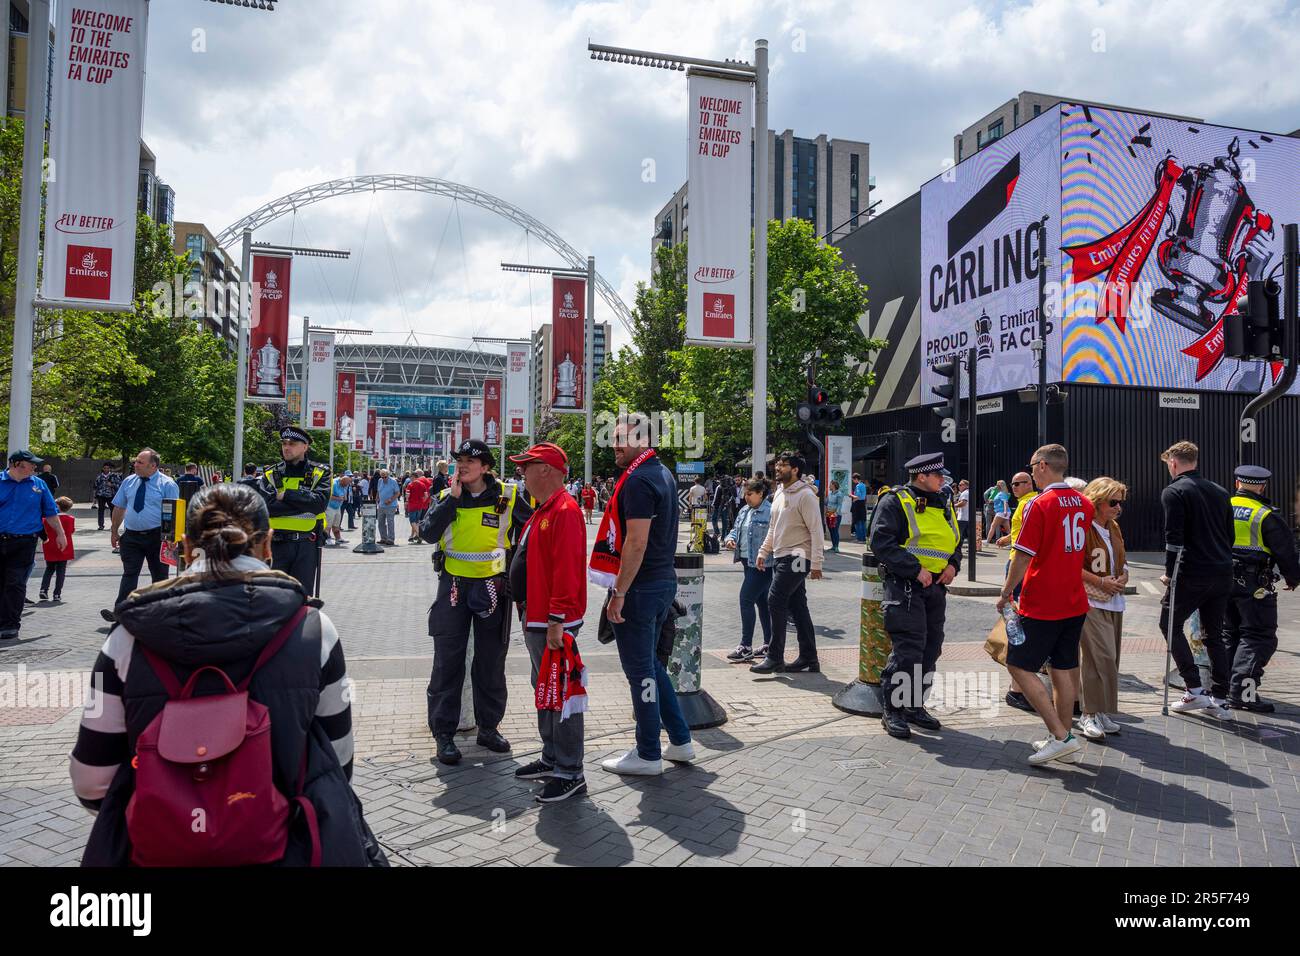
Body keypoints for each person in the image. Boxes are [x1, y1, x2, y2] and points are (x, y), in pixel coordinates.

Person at [69, 482, 386, 866]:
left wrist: (175, 811)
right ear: (268, 545)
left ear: (185, 547)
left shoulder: (127, 637)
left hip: (156, 848)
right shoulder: (313, 629)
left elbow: (92, 781)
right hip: (284, 844)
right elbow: (338, 756)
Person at [593, 414, 695, 776]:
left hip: (640, 587)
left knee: (640, 672)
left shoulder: (637, 480)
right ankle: (680, 742)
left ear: (643, 439)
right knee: (652, 666)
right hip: (661, 582)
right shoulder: (661, 472)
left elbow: (636, 543)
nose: (615, 444)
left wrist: (618, 592)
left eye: (621, 438)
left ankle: (648, 752)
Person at [421, 439, 531, 765]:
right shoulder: (445, 497)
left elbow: (532, 533)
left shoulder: (508, 497)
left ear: (485, 467)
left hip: (493, 588)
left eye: (470, 460)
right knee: (447, 662)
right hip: (453, 587)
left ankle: (489, 728)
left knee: (491, 661)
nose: (463, 465)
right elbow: (427, 533)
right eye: (459, 460)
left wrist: (519, 576)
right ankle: (444, 734)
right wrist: (451, 502)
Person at [998, 444, 1094, 766]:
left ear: (1041, 466)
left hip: (1042, 601)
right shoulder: (1084, 503)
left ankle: (1061, 735)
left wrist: (1006, 591)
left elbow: (1023, 554)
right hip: (1074, 600)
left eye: (1032, 466)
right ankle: (1060, 738)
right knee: (1063, 669)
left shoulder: (1039, 505)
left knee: (1019, 665)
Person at [508, 442, 589, 803]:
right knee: (546, 692)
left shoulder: (565, 510)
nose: (521, 473)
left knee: (561, 695)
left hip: (551, 623)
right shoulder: (547, 509)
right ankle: (551, 758)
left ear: (545, 469)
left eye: (526, 466)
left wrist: (557, 618)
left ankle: (571, 771)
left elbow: (568, 569)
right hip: (538, 618)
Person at [869, 452, 962, 738]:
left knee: (930, 649)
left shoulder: (943, 503)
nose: (943, 480)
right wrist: (914, 568)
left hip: (935, 588)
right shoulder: (895, 501)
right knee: (908, 650)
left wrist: (953, 564)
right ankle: (893, 711)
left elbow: (955, 540)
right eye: (938, 475)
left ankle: (914, 705)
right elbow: (880, 542)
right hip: (906, 587)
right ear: (922, 476)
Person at [1159, 441, 1235, 718]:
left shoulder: (1174, 491)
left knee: (1169, 624)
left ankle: (1194, 690)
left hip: (1193, 574)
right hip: (1222, 572)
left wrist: (1170, 573)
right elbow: (1229, 535)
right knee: (1214, 634)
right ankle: (1221, 698)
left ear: (1173, 462)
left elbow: (1174, 540)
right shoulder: (1220, 491)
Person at [1224, 465, 1300, 712]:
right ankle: (1243, 695)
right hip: (1254, 585)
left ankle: (1223, 688)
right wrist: (1293, 578)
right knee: (1258, 637)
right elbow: (1286, 552)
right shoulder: (1265, 515)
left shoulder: (1221, 506)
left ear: (1237, 484)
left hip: (1222, 582)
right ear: (1262, 486)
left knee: (1230, 634)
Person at [751, 451, 825, 674]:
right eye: (777, 464)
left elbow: (816, 530)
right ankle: (809, 658)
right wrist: (764, 551)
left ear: (795, 470)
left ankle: (775, 657)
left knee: (775, 599)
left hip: (799, 557)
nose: (777, 468)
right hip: (783, 555)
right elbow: (774, 527)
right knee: (797, 606)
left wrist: (817, 564)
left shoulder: (806, 496)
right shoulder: (780, 494)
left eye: (783, 465)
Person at [1077, 478, 1130, 740]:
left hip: (1113, 599)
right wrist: (1100, 581)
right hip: (1089, 600)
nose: (1118, 507)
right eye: (1113, 502)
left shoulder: (1114, 527)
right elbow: (1071, 564)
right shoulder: (1083, 528)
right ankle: (1088, 713)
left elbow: (1122, 559)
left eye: (1120, 502)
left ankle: (1099, 711)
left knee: (1112, 658)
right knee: (1100, 657)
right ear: (1097, 501)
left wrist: (1124, 577)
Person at [103, 448, 179, 624]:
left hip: (157, 537)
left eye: (140, 462)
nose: (135, 465)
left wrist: (172, 538)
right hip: (131, 537)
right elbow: (119, 507)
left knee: (159, 576)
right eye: (135, 461)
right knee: (130, 573)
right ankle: (121, 611)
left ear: (153, 466)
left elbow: (174, 512)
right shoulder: (129, 481)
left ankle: (160, 613)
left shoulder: (167, 484)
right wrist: (114, 531)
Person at [254, 427, 331, 596]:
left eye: (292, 444)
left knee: (302, 598)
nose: (286, 447)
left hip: (306, 545)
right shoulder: (271, 473)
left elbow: (319, 504)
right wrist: (304, 502)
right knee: (272, 597)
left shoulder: (320, 473)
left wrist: (286, 495)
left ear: (305, 447)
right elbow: (267, 506)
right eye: (284, 443)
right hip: (276, 544)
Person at [0, 451, 65, 639]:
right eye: (31, 464)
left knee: (16, 583)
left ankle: (10, 624)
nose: (35, 467)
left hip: (24, 542)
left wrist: (60, 534)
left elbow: (51, 512)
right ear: (18, 464)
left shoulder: (39, 485)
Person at [999, 470, 1039, 712]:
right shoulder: (1025, 503)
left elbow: (1029, 542)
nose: (1014, 487)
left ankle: (1018, 686)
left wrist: (1006, 591)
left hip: (1021, 566)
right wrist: (1009, 539)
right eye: (1012, 483)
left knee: (1018, 625)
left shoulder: (1029, 504)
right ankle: (1018, 685)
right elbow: (1024, 534)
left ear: (1030, 483)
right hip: (1019, 564)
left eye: (1019, 483)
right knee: (1018, 624)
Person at [723, 477, 773, 662]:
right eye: (745, 494)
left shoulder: (770, 511)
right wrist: (730, 538)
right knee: (762, 602)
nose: (746, 498)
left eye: (750, 494)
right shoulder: (745, 510)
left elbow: (774, 535)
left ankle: (745, 645)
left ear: (761, 494)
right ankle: (770, 643)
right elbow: (735, 529)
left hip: (761, 564)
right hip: (746, 561)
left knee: (746, 599)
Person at [39, 496, 76, 602]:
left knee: (49, 569)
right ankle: (57, 594)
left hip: (50, 546)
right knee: (61, 571)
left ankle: (43, 589)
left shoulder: (46, 519)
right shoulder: (71, 519)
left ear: (57, 506)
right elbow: (71, 531)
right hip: (65, 547)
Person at [374, 469, 401, 546]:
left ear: (388, 476)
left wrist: (390, 499)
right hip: (381, 505)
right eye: (382, 477)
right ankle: (383, 538)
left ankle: (391, 539)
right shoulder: (380, 481)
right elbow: (379, 491)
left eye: (385, 477)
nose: (383, 478)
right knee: (380, 522)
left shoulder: (393, 481)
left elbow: (397, 493)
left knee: (390, 522)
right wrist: (377, 498)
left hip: (391, 505)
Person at [405, 469, 432, 544]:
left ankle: (419, 535)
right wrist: (422, 501)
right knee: (417, 521)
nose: (410, 478)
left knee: (412, 521)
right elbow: (426, 495)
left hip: (412, 504)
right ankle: (413, 536)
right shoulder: (422, 484)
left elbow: (407, 495)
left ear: (413, 477)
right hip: (420, 505)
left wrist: (406, 501)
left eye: (410, 477)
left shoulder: (410, 485)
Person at [324, 474, 352, 546]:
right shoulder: (333, 483)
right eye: (345, 485)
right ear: (342, 481)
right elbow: (328, 495)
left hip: (337, 506)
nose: (346, 486)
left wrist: (344, 497)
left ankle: (338, 539)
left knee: (336, 524)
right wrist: (338, 498)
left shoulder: (344, 484)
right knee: (328, 525)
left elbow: (344, 491)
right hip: (330, 506)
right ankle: (326, 539)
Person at [92, 462, 120, 532]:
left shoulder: (114, 476)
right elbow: (95, 487)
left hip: (110, 495)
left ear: (109, 469)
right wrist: (95, 498)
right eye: (105, 468)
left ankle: (113, 525)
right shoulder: (99, 477)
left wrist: (112, 485)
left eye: (108, 468)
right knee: (100, 510)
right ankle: (101, 525)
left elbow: (119, 485)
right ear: (102, 468)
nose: (106, 469)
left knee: (113, 510)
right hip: (101, 495)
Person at [825, 479, 845, 553]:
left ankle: (836, 547)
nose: (829, 486)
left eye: (830, 484)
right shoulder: (830, 494)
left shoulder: (839, 494)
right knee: (831, 530)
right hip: (829, 513)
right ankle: (833, 546)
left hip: (835, 514)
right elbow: (826, 503)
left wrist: (836, 513)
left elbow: (840, 505)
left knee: (835, 530)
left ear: (833, 485)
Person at [851, 472, 868, 542]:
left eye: (853, 480)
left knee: (857, 522)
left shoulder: (858, 486)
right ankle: (864, 538)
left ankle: (859, 538)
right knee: (863, 522)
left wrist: (851, 495)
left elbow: (857, 496)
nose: (853, 481)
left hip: (857, 505)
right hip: (862, 504)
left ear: (856, 479)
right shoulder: (863, 485)